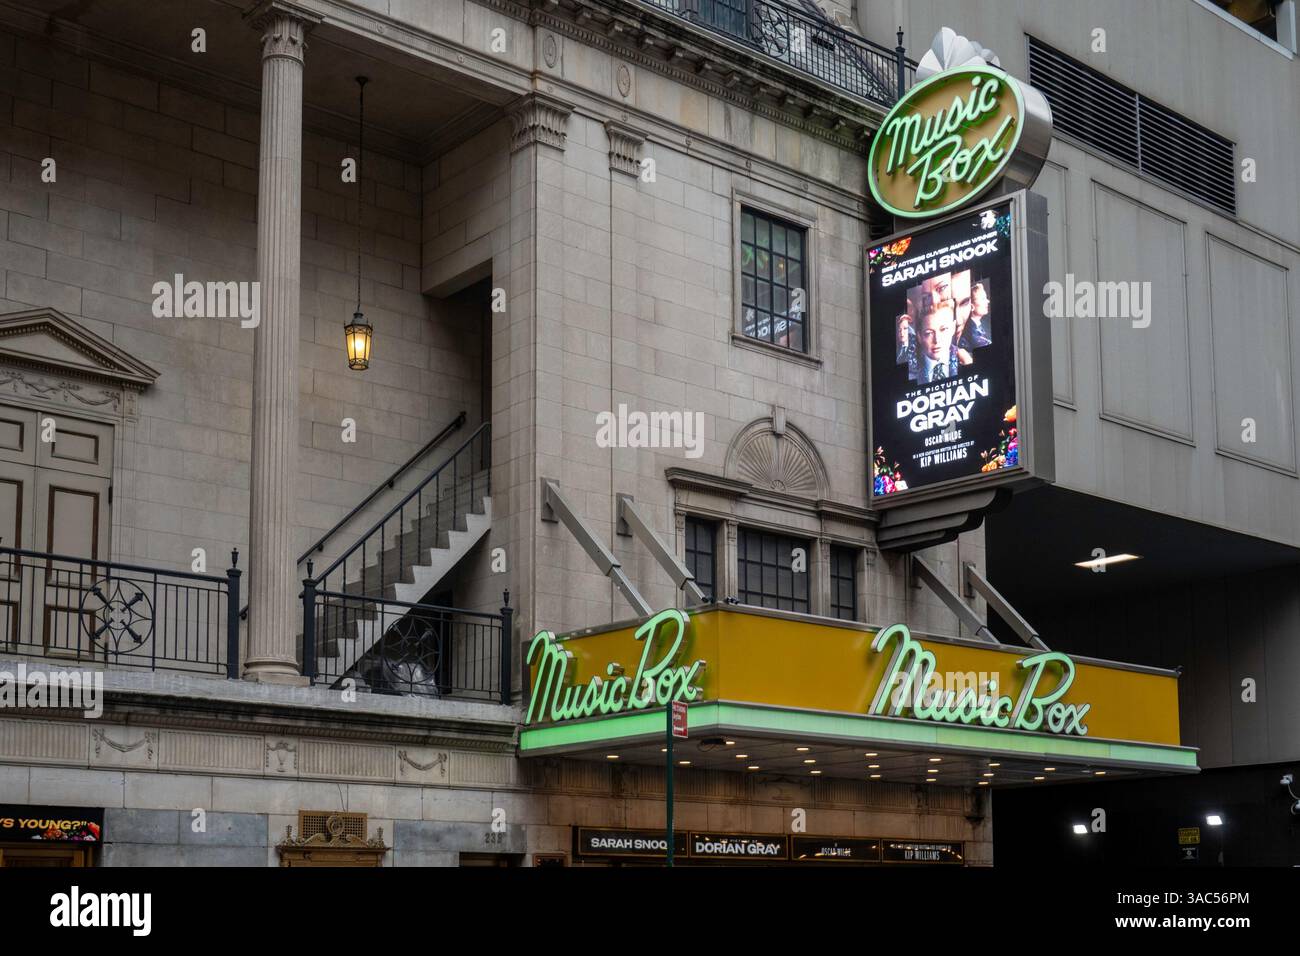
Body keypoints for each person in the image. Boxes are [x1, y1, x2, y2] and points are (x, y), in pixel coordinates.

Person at [901, 303, 960, 383]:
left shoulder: (967, 360)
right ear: (919, 336)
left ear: (953, 328)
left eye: (943, 329)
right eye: (929, 333)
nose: (937, 340)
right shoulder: (908, 373)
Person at [959, 280, 993, 352]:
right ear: (971, 307)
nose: (988, 301)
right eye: (983, 299)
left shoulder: (977, 327)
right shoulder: (972, 333)